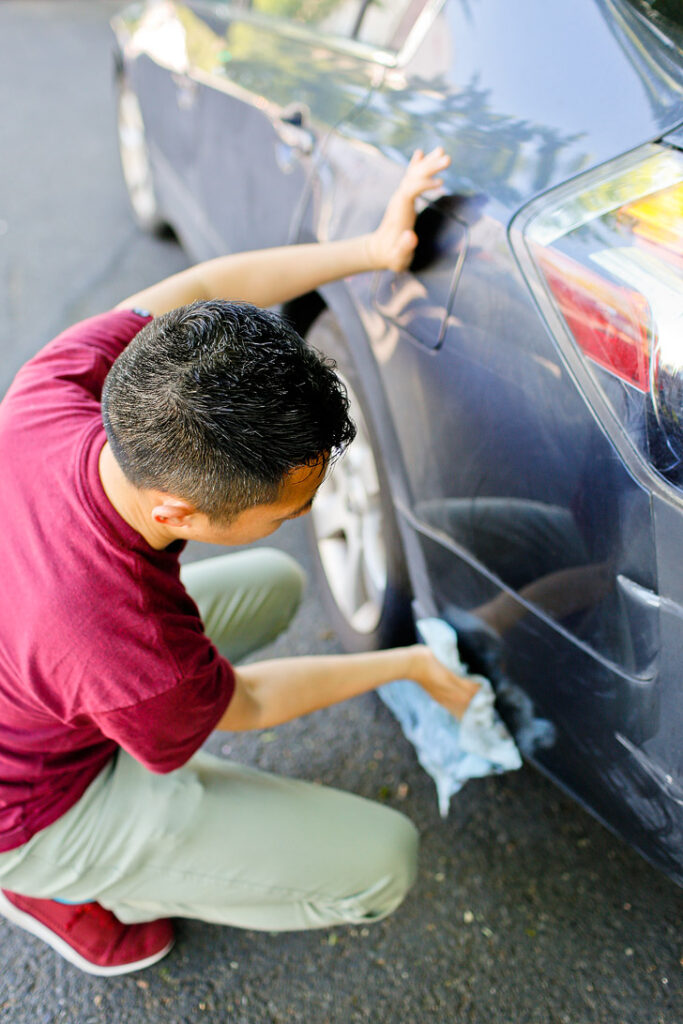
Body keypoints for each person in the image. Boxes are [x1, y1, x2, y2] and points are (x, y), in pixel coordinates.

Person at [0, 148, 479, 975]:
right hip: (28, 805)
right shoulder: (126, 643)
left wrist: (374, 250)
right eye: (288, 511)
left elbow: (199, 292)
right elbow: (246, 703)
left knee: (276, 584)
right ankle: (44, 883)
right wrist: (406, 665)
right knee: (383, 859)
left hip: (38, 672)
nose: (312, 515)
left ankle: (96, 743)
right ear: (177, 513)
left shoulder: (59, 389)